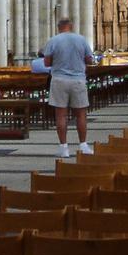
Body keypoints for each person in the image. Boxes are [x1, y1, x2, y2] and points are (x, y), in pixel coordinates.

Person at [43, 16, 95, 158]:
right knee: (81, 114)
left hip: (59, 79)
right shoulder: (81, 39)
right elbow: (89, 60)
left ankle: (63, 148)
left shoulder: (53, 40)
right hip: (78, 79)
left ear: (58, 27)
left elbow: (47, 63)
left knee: (61, 115)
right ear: (71, 26)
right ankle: (83, 145)